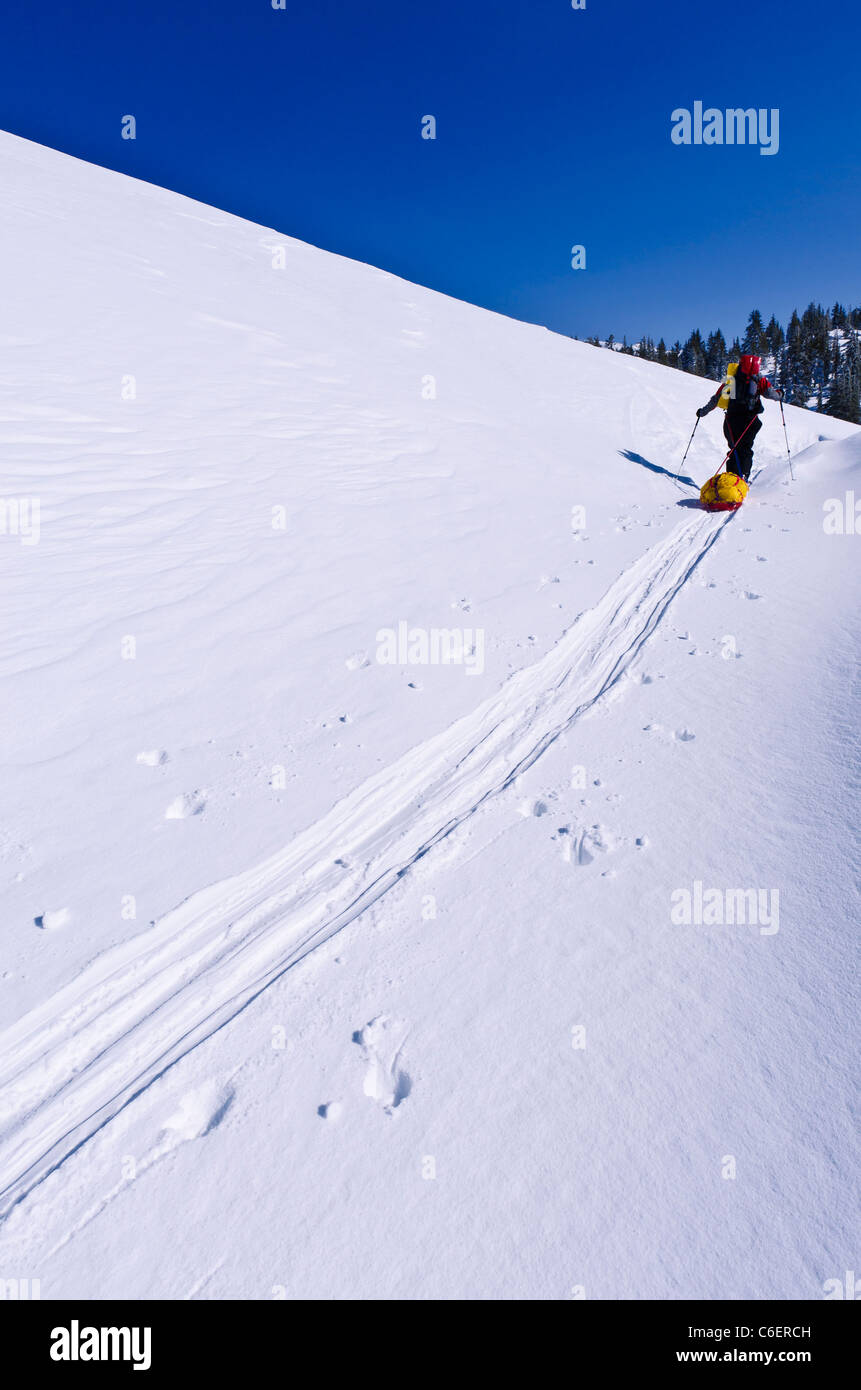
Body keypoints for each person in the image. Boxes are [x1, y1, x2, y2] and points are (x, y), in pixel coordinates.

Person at [696, 353, 783, 481]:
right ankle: (744, 476)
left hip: (731, 420)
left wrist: (703, 411)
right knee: (746, 449)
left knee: (734, 450)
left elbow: (716, 398)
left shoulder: (731, 378)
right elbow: (771, 394)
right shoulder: (759, 379)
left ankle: (731, 479)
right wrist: (780, 394)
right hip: (750, 421)